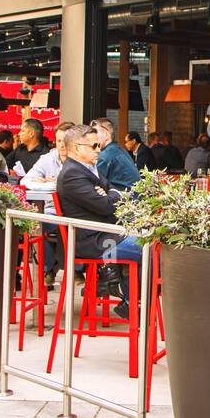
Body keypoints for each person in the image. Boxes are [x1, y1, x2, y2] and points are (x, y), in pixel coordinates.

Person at [55, 125, 142, 318]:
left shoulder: (87, 169)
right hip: (94, 241)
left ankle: (132, 301)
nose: (98, 150)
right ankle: (135, 303)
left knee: (155, 247)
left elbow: (111, 191)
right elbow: (107, 205)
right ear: (77, 147)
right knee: (152, 251)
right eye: (94, 146)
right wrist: (110, 195)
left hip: (106, 233)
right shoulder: (72, 174)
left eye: (98, 145)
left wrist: (109, 194)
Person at [92, 118, 140, 191]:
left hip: (123, 198)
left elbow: (92, 182)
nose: (92, 136)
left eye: (95, 132)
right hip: (134, 197)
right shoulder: (119, 149)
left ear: (106, 135)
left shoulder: (106, 155)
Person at [23, 120, 73, 184]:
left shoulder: (83, 160)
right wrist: (37, 181)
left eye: (65, 141)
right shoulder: (47, 158)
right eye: (59, 141)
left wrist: (60, 183)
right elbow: (24, 181)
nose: (61, 145)